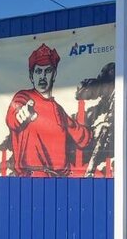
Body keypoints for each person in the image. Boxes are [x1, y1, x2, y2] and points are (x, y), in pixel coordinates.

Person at [5, 43, 91, 176]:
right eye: (38, 71)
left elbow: (82, 136)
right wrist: (21, 113)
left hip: (59, 181)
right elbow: (13, 117)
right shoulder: (24, 97)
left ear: (54, 74)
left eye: (48, 71)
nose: (43, 76)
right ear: (31, 76)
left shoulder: (58, 110)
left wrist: (98, 129)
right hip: (31, 179)